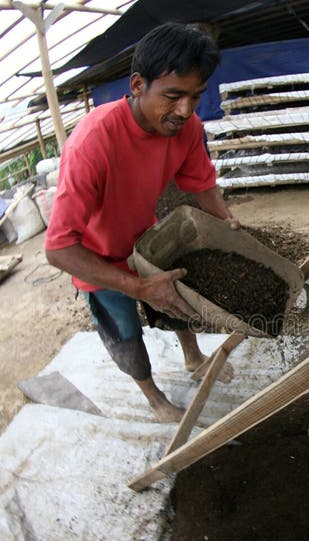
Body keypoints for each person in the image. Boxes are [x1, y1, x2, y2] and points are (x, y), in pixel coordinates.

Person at [45, 22, 240, 423]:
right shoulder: (93, 142)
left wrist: (227, 219)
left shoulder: (186, 129)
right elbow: (59, 247)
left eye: (195, 97)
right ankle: (155, 399)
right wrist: (134, 286)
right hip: (96, 262)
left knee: (174, 300)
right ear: (137, 85)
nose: (185, 110)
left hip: (145, 243)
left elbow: (202, 183)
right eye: (172, 96)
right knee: (126, 336)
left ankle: (193, 356)